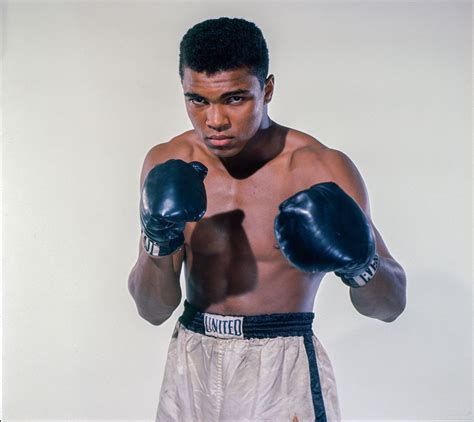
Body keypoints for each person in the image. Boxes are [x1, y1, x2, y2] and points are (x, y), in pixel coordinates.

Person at [128, 17, 407, 422]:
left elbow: (390, 306)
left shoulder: (318, 169)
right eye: (198, 100)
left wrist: (361, 264)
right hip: (191, 359)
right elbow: (152, 309)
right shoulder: (169, 163)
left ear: (268, 89)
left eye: (235, 99)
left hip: (282, 370)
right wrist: (157, 241)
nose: (215, 120)